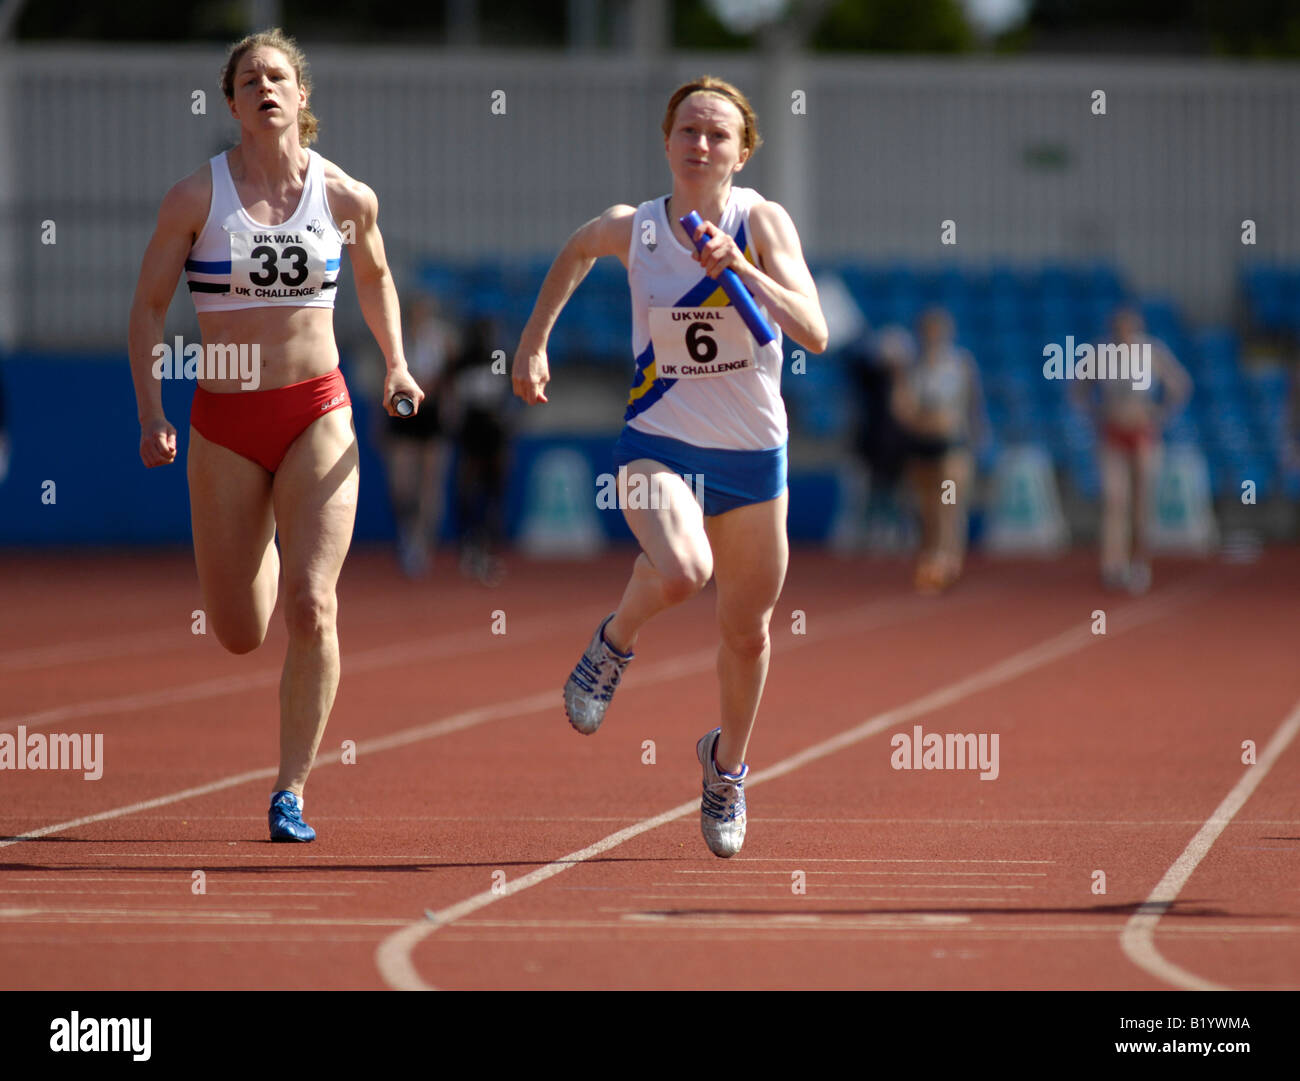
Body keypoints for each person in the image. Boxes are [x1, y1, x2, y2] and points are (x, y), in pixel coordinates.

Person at [512, 76, 828, 858]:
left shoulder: (764, 222)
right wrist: (533, 340)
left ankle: (725, 768)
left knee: (748, 633)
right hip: (660, 444)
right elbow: (576, 251)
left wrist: (742, 268)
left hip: (754, 459)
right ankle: (612, 644)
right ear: (667, 142)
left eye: (718, 135)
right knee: (682, 569)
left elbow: (815, 331)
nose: (701, 145)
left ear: (742, 152)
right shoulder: (638, 227)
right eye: (688, 130)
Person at [127, 28, 421, 842]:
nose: (264, 86)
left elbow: (377, 279)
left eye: (278, 75)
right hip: (223, 424)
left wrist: (395, 365)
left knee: (313, 603)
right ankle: (250, 570)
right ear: (232, 103)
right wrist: (151, 413)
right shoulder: (195, 199)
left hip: (317, 412)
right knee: (238, 631)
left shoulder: (347, 197)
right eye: (249, 77)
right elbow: (149, 308)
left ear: (301, 97)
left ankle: (289, 789)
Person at [1075, 305, 1191, 593]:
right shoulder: (1101, 354)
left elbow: (1180, 384)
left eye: (1129, 329)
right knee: (1115, 501)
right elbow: (1079, 390)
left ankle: (1140, 562)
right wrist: (1094, 415)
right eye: (1119, 329)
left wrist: (1161, 413)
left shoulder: (1151, 352)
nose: (1124, 334)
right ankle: (1113, 564)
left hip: (1142, 432)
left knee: (1142, 501)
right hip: (1112, 432)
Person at [891, 307, 986, 593]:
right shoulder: (912, 367)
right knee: (925, 508)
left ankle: (947, 561)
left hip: (952, 447)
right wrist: (919, 420)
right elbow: (901, 406)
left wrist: (975, 438)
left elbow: (974, 405)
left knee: (948, 505)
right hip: (922, 446)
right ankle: (929, 556)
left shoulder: (960, 365)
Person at [381, 292, 456, 578]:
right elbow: (384, 376)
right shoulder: (396, 339)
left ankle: (422, 542)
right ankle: (407, 531)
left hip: (431, 414)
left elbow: (450, 381)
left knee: (430, 481)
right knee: (401, 484)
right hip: (401, 413)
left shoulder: (443, 339)